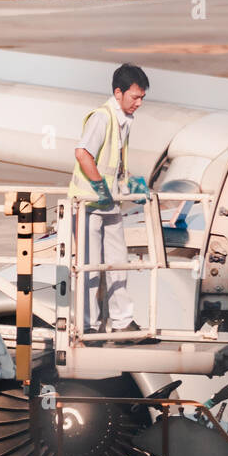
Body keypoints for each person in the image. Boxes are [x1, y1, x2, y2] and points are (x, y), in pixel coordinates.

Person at [69, 63, 149, 339]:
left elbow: (113, 163)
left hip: (110, 203)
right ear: (118, 93)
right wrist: (99, 188)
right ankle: (88, 326)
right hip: (89, 204)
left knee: (118, 263)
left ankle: (122, 321)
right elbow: (82, 153)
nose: (139, 103)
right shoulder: (102, 118)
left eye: (142, 98)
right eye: (134, 97)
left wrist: (129, 183)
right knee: (90, 268)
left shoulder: (124, 120)